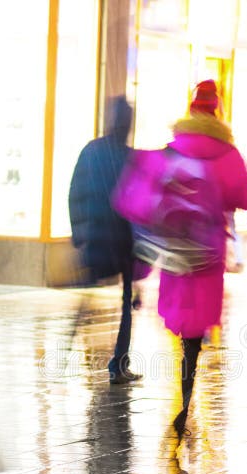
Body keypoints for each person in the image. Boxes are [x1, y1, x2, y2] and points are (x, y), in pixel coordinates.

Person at [159, 80, 247, 442]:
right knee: (198, 322)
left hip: (176, 246)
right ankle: (188, 380)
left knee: (181, 318)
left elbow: (152, 190)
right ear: (217, 113)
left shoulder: (172, 150)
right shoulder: (227, 153)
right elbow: (246, 195)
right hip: (208, 248)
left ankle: (186, 357)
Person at [69, 96, 141, 385]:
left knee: (89, 298)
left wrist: (79, 233)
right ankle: (119, 363)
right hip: (122, 239)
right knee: (125, 301)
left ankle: (66, 353)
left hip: (98, 237)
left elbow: (75, 193)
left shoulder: (92, 151)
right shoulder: (129, 157)